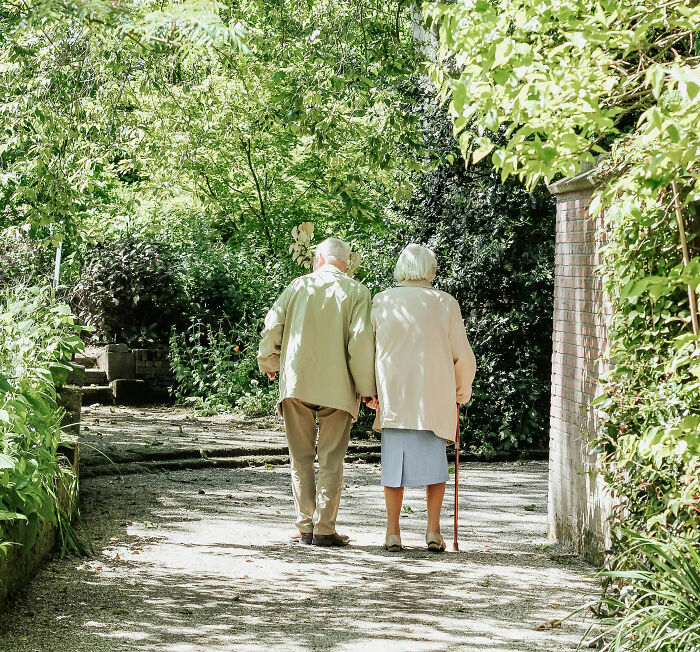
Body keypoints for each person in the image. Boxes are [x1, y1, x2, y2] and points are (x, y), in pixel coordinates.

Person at [257, 237, 377, 547]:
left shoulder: (298, 286)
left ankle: (304, 526)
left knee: (300, 457)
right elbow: (361, 343)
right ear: (346, 263)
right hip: (339, 387)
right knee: (331, 459)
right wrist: (367, 389)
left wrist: (269, 360)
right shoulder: (358, 291)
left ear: (318, 259)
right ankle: (324, 529)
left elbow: (273, 326)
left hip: (298, 382)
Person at [369, 244, 476, 552]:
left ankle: (392, 532)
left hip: (395, 396)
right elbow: (463, 356)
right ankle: (433, 531)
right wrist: (461, 390)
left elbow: (369, 351)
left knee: (393, 467)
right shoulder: (444, 303)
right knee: (435, 467)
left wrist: (370, 391)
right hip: (433, 397)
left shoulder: (382, 301)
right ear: (431, 269)